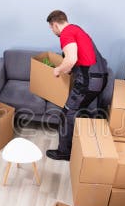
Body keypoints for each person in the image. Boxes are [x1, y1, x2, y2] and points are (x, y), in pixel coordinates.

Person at [45, 10, 109, 160]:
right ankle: (81, 145)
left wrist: (58, 70)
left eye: (51, 28)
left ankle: (64, 152)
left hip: (89, 81)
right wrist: (70, 69)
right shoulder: (76, 29)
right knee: (78, 111)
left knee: (67, 114)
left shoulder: (66, 34)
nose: (52, 31)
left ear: (55, 25)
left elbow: (71, 58)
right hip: (100, 77)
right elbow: (83, 55)